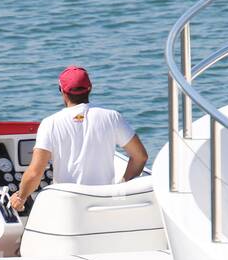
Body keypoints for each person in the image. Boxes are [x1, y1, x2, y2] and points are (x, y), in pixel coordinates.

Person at [9, 66, 147, 212]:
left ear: (61, 90)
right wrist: (120, 188)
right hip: (103, 206)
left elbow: (35, 173)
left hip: (68, 208)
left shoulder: (50, 123)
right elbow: (140, 157)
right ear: (90, 88)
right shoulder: (112, 117)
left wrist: (20, 197)